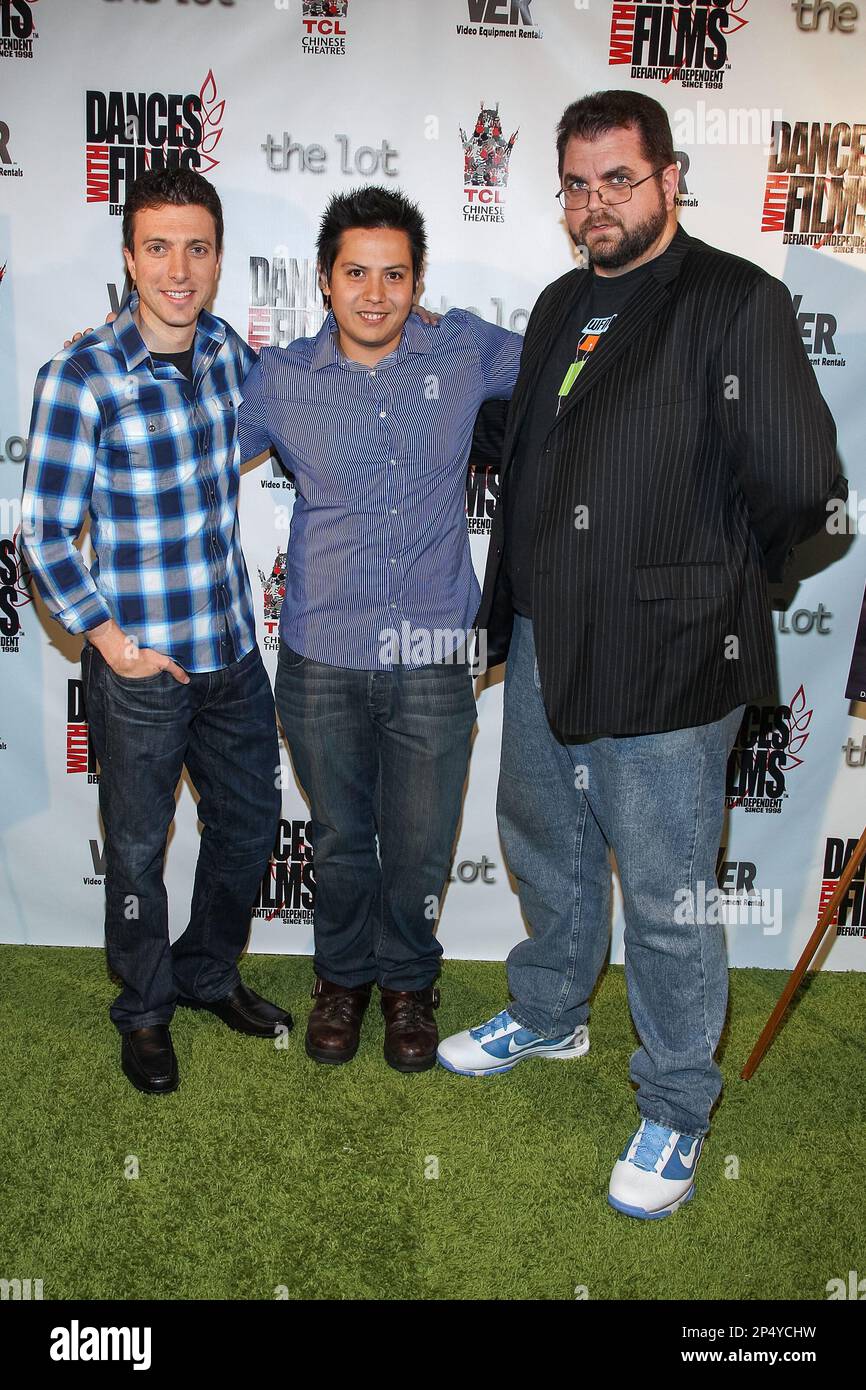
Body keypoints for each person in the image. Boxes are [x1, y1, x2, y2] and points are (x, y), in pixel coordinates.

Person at [437, 91, 845, 1218]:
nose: (593, 204)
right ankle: (553, 1009)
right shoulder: (563, 300)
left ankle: (673, 1106)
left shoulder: (731, 300)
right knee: (546, 841)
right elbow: (535, 447)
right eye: (574, 184)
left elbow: (804, 486)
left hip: (668, 659)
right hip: (540, 637)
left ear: (669, 178)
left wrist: (706, 580)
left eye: (616, 179)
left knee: (666, 896)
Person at [238, 185, 523, 1074]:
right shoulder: (281, 378)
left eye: (393, 274)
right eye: (355, 272)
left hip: (438, 650)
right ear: (325, 280)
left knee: (422, 840)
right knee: (337, 836)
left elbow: (580, 368)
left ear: (417, 279)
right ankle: (341, 980)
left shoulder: (468, 349)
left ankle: (408, 983)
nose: (374, 293)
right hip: (322, 652)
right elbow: (187, 440)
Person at [21, 168, 292, 1095]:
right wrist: (108, 642)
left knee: (251, 825)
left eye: (198, 248)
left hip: (230, 650)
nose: (179, 268)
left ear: (218, 258)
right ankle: (143, 1011)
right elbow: (43, 533)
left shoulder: (227, 353)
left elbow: (285, 425)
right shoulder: (80, 374)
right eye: (158, 247)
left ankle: (206, 972)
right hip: (138, 666)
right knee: (136, 849)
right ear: (129, 256)